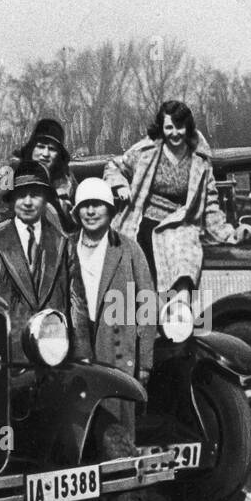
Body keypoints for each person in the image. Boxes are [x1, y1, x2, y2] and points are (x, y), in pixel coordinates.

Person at [103, 100, 251, 295]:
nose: (174, 133)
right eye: (169, 127)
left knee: (185, 256)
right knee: (141, 274)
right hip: (145, 222)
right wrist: (120, 185)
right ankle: (146, 317)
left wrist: (228, 234)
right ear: (161, 128)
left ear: (187, 127)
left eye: (179, 127)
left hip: (181, 223)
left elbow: (210, 204)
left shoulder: (200, 161)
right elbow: (113, 167)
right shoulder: (145, 152)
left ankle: (176, 314)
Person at [0, 159, 91, 364]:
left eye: (35, 195)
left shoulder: (63, 244)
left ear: (45, 199)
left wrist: (82, 356)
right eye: (21, 195)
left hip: (53, 355)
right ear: (12, 198)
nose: (27, 202)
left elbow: (77, 304)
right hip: (6, 357)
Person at [71, 176, 155, 435]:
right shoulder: (65, 247)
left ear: (110, 209)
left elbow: (148, 304)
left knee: (117, 429)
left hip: (117, 351)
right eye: (85, 205)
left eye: (98, 204)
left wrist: (145, 362)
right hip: (77, 349)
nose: (91, 211)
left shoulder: (129, 249)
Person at [0, 118, 76, 231]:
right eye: (41, 146)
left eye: (52, 149)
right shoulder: (12, 171)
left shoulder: (65, 178)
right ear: (32, 148)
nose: (45, 154)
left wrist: (59, 200)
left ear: (58, 155)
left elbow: (73, 221)